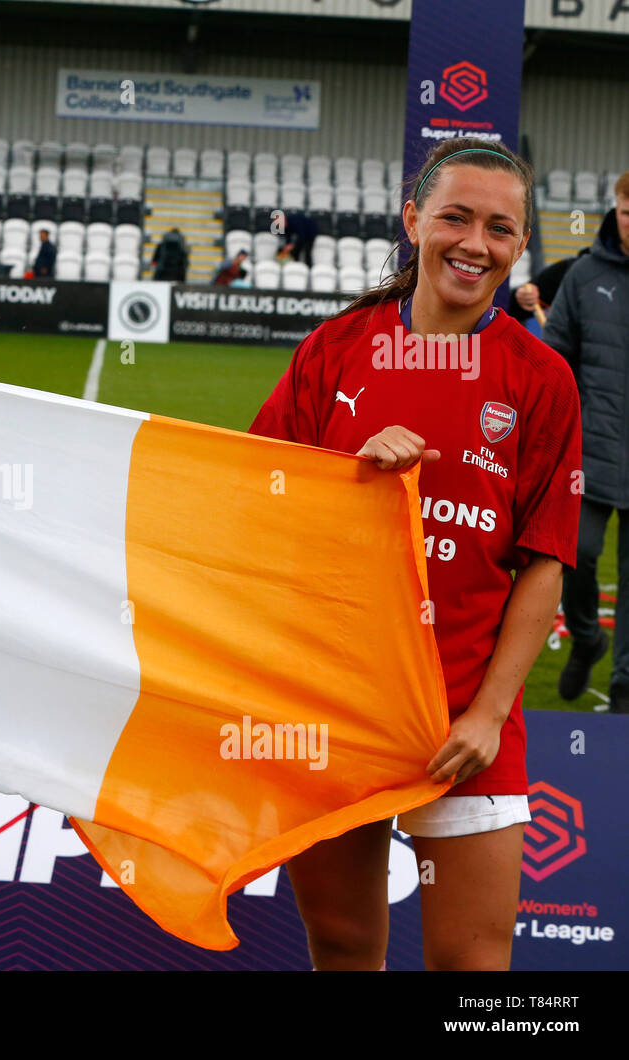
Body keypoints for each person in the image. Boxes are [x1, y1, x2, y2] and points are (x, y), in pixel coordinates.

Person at [249, 137, 580, 971]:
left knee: (473, 974)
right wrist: (347, 473)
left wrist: (489, 714)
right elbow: (255, 505)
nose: (476, 243)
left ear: (520, 243)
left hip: (467, 718)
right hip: (335, 709)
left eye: (501, 229)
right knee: (346, 948)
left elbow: (545, 560)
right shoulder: (335, 350)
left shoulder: (540, 378)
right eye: (456, 218)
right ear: (413, 221)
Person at [543, 171, 629, 712]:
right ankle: (586, 635)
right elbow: (556, 359)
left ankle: (624, 685)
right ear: (617, 210)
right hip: (593, 451)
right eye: (628, 212)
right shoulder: (585, 274)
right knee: (576, 554)